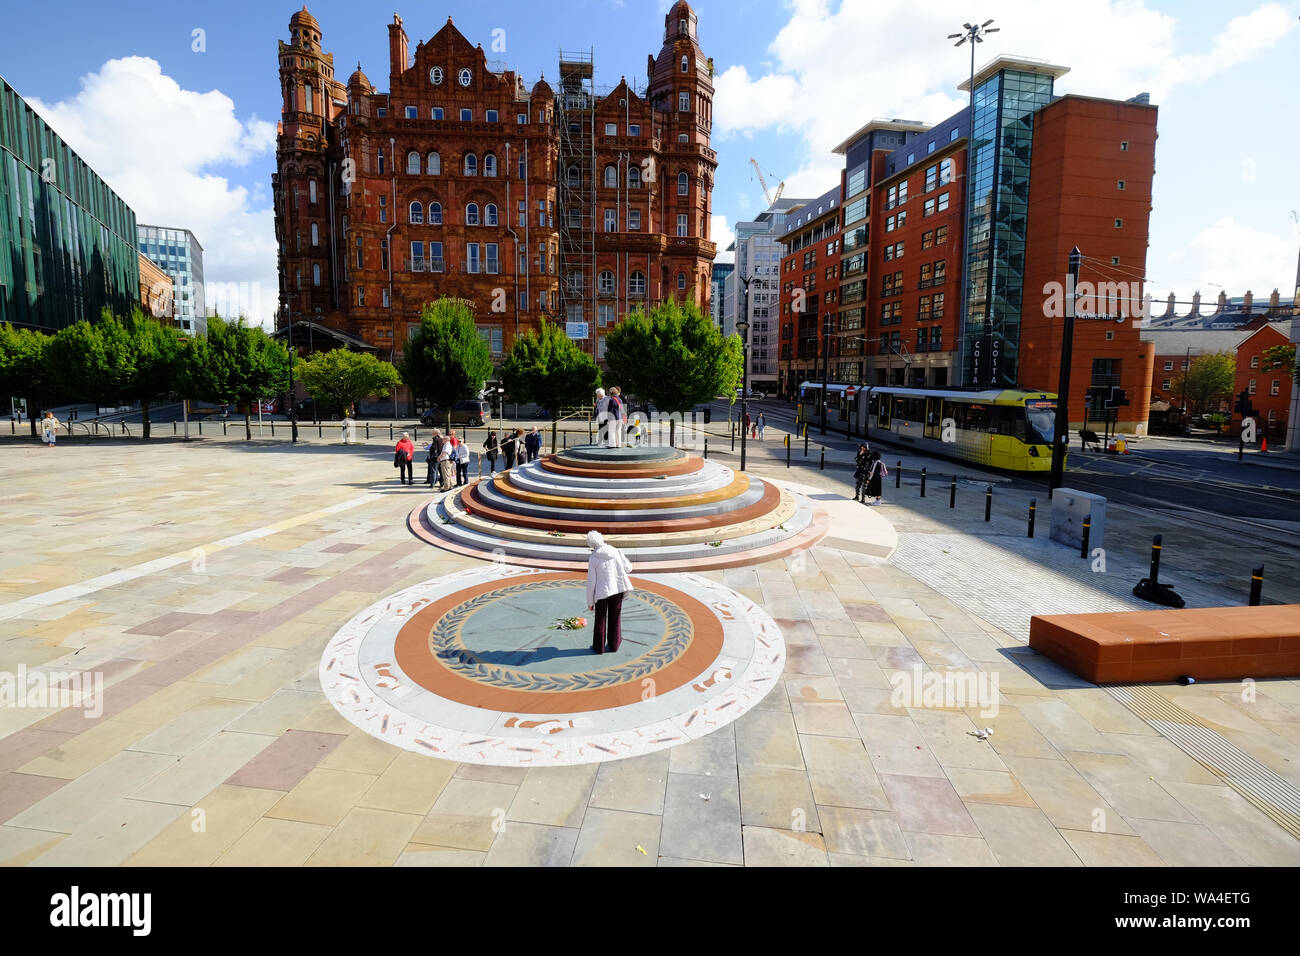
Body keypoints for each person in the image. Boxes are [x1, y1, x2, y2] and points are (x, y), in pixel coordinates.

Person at [585, 530, 633, 654]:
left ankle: (599, 647)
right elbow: (628, 568)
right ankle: (615, 645)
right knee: (615, 617)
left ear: (591, 544)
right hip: (617, 589)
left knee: (600, 619)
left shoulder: (593, 558)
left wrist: (590, 602)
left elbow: (591, 582)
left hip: (602, 593)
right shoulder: (616, 551)